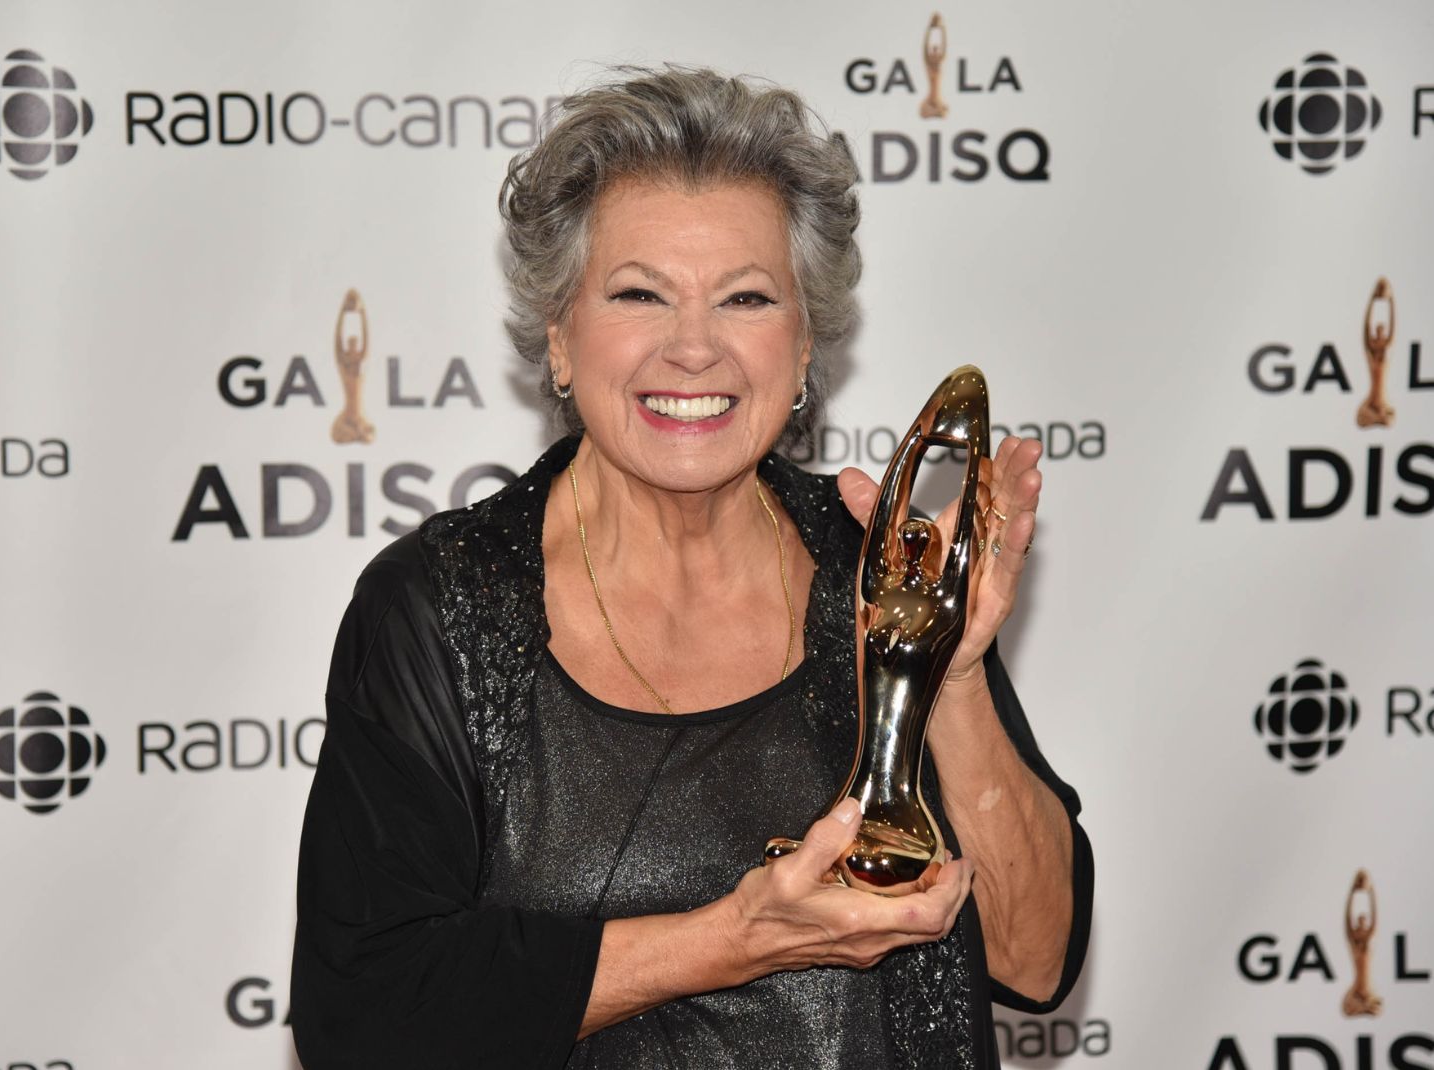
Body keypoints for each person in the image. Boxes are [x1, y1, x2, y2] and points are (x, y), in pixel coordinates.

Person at [291, 66, 1093, 1069]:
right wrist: (730, 938)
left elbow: (1033, 953)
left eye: (746, 298)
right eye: (640, 293)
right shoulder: (441, 605)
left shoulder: (877, 568)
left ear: (804, 348)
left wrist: (955, 675)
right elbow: (363, 1018)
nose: (695, 348)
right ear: (560, 336)